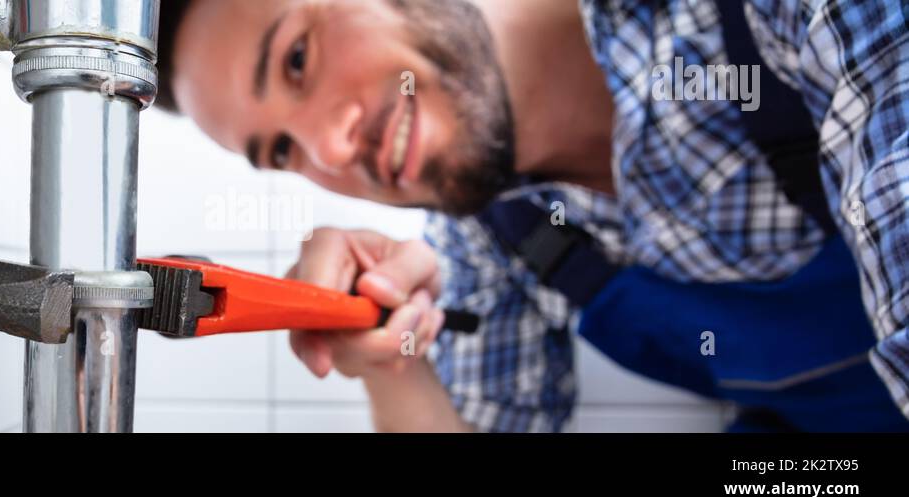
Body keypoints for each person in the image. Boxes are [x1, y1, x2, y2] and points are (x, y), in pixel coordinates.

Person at [153, 0, 909, 432]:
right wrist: (389, 354)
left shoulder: (773, 13)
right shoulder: (495, 241)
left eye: (296, 59)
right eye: (281, 151)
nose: (327, 146)